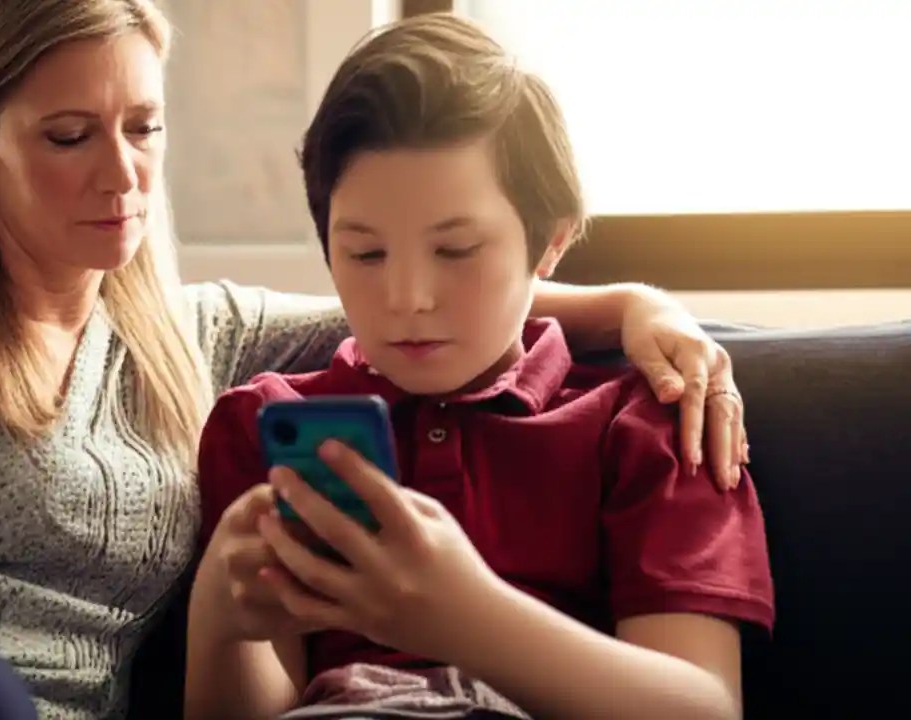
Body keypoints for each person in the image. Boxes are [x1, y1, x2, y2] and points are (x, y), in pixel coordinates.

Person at [0, 2, 749, 719]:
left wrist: (635, 302)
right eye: (69, 136)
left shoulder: (192, 334)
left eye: (144, 128)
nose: (120, 175)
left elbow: (413, 301)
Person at [185, 13, 772, 720]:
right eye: (365, 254)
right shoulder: (267, 423)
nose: (406, 300)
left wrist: (466, 618)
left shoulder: (652, 422)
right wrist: (219, 617)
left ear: (549, 245)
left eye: (456, 250)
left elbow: (706, 708)